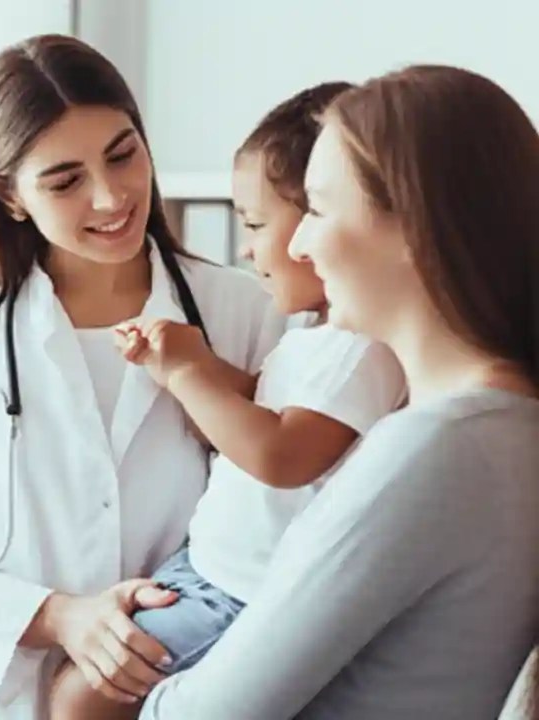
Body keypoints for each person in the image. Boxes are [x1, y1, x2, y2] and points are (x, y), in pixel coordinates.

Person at [0, 34, 285, 718]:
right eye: (65, 180)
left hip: (191, 696)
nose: (111, 197)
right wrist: (58, 618)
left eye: (123, 155)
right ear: (8, 193)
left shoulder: (243, 312)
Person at [137, 64, 539, 719]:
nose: (299, 241)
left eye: (318, 208)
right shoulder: (501, 429)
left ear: (414, 227)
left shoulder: (435, 452)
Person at [49, 81, 408, 719]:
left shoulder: (362, 352)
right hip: (204, 567)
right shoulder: (314, 339)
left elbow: (281, 454)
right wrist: (190, 362)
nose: (247, 248)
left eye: (255, 225)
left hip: (245, 597)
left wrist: (191, 375)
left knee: (81, 700)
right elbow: (267, 410)